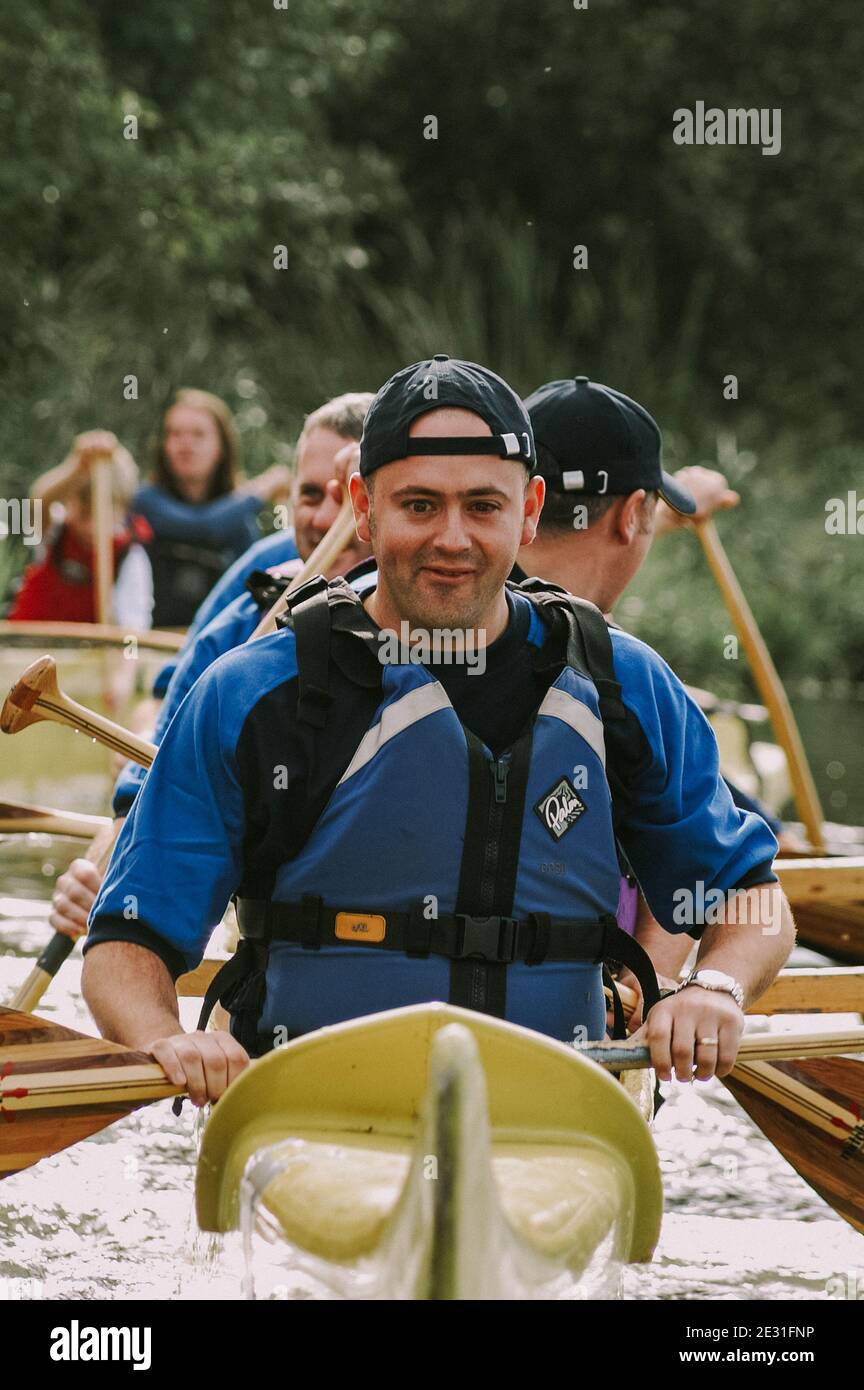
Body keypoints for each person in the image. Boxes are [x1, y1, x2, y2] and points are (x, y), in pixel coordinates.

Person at [81, 355, 793, 1106]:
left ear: (529, 509)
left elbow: (751, 899)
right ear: (364, 506)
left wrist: (714, 986)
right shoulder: (252, 695)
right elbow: (127, 941)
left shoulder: (624, 685)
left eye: (483, 507)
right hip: (307, 1117)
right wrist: (164, 1037)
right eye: (419, 505)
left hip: (554, 1121)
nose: (452, 538)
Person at [48, 393, 374, 941]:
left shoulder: (447, 620)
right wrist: (107, 869)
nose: (324, 519)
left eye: (346, 499)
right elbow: (160, 742)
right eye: (309, 494)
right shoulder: (258, 586)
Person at [135, 389, 291, 627]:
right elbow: (201, 526)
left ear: (221, 447)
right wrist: (259, 490)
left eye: (198, 434)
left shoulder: (239, 522)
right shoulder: (147, 502)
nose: (185, 444)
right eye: (175, 434)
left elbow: (252, 589)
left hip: (212, 649)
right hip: (151, 647)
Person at [7, 429, 152, 628]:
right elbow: (39, 500)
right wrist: (77, 466)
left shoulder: (130, 557)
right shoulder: (54, 531)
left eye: (103, 516)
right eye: (84, 513)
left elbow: (134, 630)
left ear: (122, 512)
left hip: (88, 656)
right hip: (27, 651)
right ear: (68, 502)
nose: (92, 527)